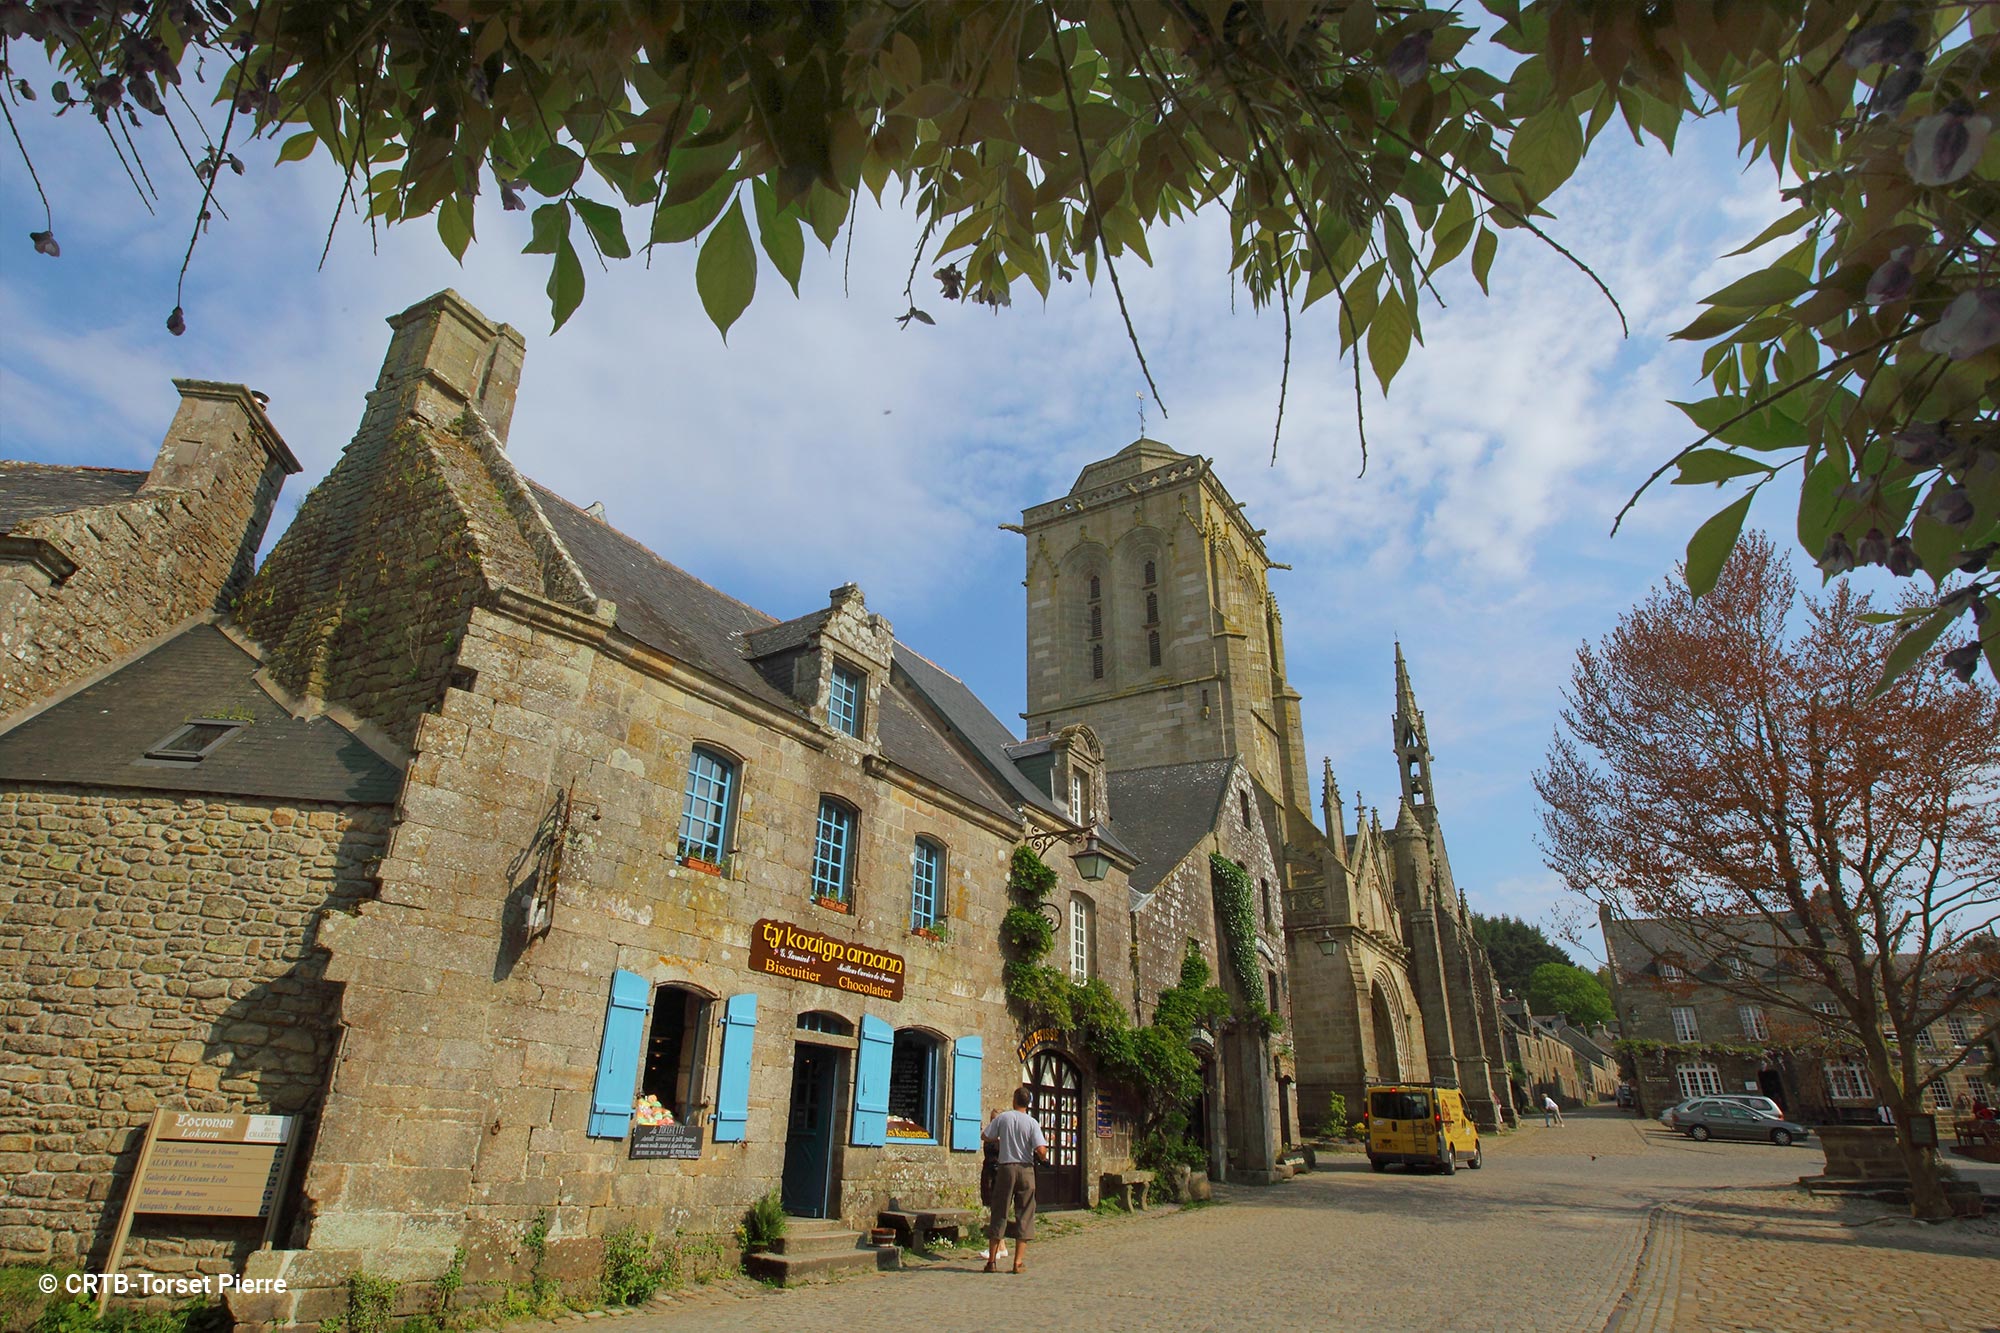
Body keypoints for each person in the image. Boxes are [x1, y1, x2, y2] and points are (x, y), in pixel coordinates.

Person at [982, 1086, 1048, 1274]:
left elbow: (985, 1135)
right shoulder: (1032, 1123)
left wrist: (1003, 1139)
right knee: (1025, 1212)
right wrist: (1043, 1157)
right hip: (1026, 1169)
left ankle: (992, 1261)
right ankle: (1018, 1263)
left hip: (1006, 1167)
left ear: (1014, 1100)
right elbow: (1041, 1150)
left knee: (999, 1211)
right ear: (1029, 1103)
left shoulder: (1004, 1118)